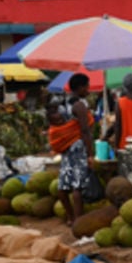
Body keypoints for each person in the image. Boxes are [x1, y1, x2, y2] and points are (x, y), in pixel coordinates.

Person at [48, 73, 95, 227]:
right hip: (78, 146)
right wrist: (90, 154)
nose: (88, 90)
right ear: (80, 87)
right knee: (77, 186)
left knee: (63, 184)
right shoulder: (79, 105)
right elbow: (85, 130)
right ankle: (79, 219)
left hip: (66, 147)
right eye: (87, 87)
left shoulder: (63, 104)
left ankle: (70, 217)